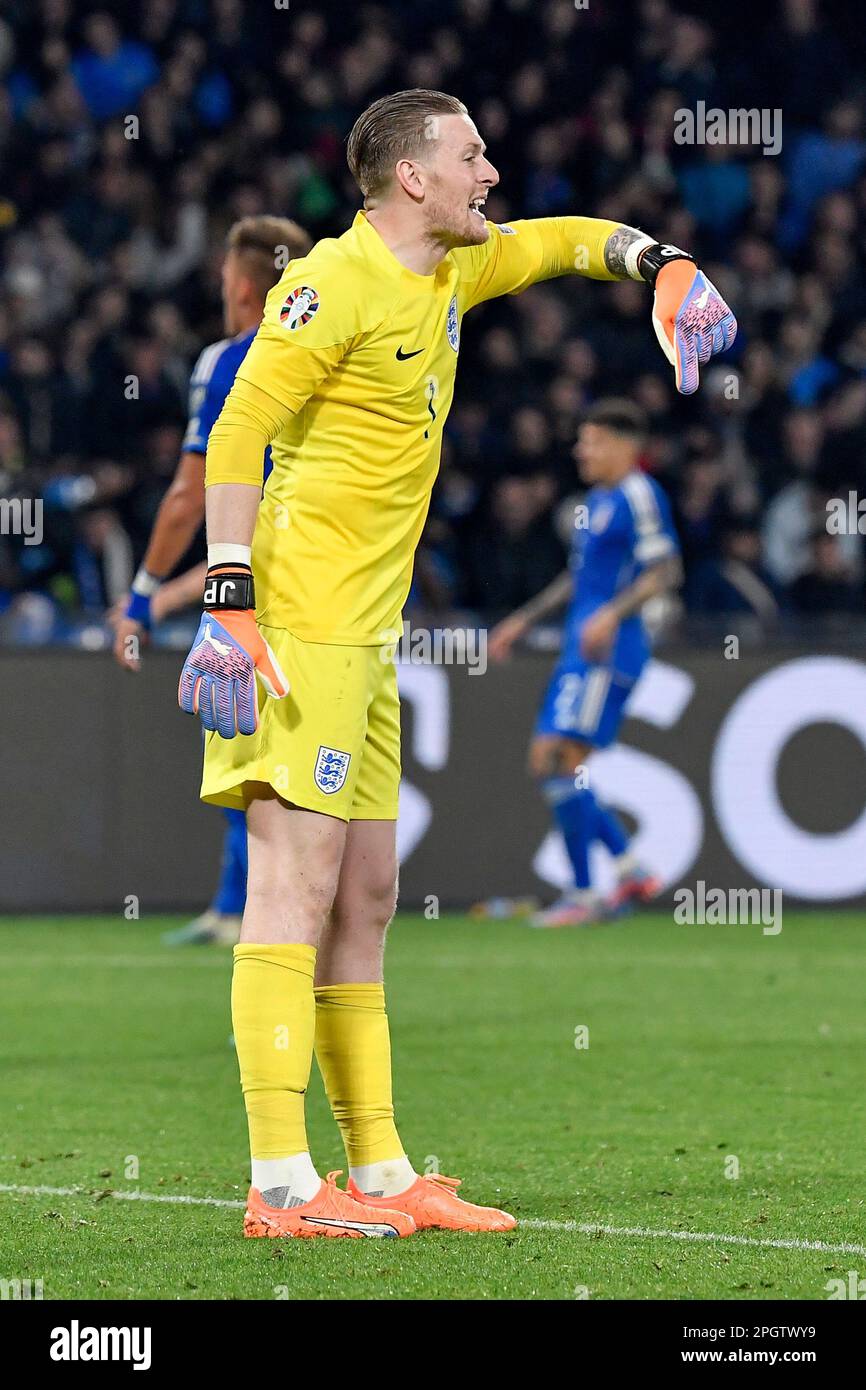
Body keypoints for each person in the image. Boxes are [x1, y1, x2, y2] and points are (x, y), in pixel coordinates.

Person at [178, 89, 736, 1239]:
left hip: (366, 638)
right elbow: (237, 427)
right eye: (470, 154)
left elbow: (561, 241)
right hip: (294, 627)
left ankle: (378, 1172)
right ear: (410, 178)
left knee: (368, 900)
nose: (491, 171)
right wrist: (227, 594)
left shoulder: (449, 273)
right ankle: (281, 1183)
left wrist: (663, 262)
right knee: (293, 890)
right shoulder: (331, 282)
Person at [111, 215, 311, 945]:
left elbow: (191, 493)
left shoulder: (229, 359)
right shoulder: (341, 345)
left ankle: (259, 947)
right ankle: (247, 917)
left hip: (250, 592)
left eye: (228, 284)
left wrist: (142, 595)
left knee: (245, 754)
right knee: (306, 777)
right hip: (341, 584)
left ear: (247, 288)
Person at [489, 400, 683, 926]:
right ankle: (626, 867)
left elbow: (665, 570)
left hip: (608, 651)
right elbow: (580, 577)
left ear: (625, 446)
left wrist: (611, 617)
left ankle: (587, 892)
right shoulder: (597, 501)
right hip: (580, 648)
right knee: (549, 764)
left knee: (560, 762)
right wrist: (523, 620)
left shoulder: (640, 494)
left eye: (593, 441)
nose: (581, 450)